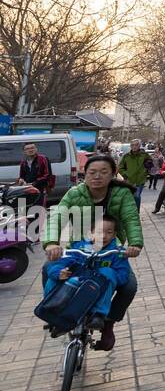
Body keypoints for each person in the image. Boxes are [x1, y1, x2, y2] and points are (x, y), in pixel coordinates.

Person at [42, 154, 143, 351]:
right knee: (49, 268)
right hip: (80, 250)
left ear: (113, 174)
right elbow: (56, 218)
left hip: (109, 252)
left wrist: (135, 244)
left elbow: (131, 219)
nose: (97, 176)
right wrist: (51, 243)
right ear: (85, 174)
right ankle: (54, 310)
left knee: (129, 286)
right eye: (92, 172)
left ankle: (108, 323)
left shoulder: (122, 195)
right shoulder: (74, 194)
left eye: (104, 172)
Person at [41, 215, 131, 330]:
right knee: (53, 277)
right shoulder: (79, 247)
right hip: (76, 281)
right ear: (90, 233)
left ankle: (98, 314)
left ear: (114, 235)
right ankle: (51, 312)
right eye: (99, 232)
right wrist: (59, 272)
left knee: (108, 272)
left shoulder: (116, 252)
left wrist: (112, 279)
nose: (103, 236)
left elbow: (123, 272)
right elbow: (61, 262)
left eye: (109, 232)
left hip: (97, 287)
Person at [17, 141, 54, 208]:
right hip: (27, 189)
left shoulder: (43, 158)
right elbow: (22, 176)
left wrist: (34, 183)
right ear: (24, 152)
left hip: (41, 189)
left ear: (36, 149)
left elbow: (47, 175)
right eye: (27, 149)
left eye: (32, 148)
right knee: (23, 209)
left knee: (39, 210)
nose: (31, 150)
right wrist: (21, 180)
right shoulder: (23, 162)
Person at [118, 140, 154, 208]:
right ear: (130, 146)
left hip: (140, 180)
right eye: (132, 145)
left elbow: (151, 164)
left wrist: (148, 165)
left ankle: (136, 213)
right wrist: (125, 174)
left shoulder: (144, 155)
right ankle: (130, 211)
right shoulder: (126, 156)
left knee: (136, 196)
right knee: (130, 197)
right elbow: (120, 168)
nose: (134, 146)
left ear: (139, 146)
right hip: (129, 180)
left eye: (136, 145)